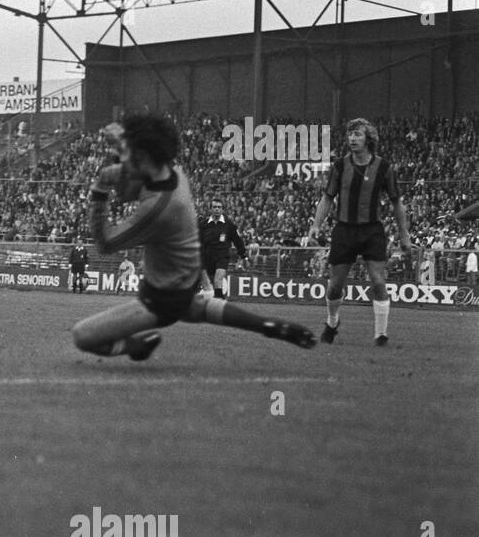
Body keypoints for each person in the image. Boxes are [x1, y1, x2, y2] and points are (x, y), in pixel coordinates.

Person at [71, 115, 315, 361]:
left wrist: (100, 189)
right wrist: (123, 143)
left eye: (128, 157)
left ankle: (136, 346)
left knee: (82, 335)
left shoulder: (158, 208)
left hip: (159, 301)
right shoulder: (174, 171)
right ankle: (270, 326)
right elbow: (135, 173)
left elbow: (105, 243)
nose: (123, 162)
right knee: (204, 309)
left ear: (143, 159)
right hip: (182, 288)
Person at [305, 118, 414, 346]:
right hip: (344, 230)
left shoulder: (384, 168)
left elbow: (397, 202)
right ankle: (332, 322)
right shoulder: (340, 166)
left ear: (368, 139)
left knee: (378, 281)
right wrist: (316, 224)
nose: (352, 139)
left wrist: (404, 235)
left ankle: (380, 335)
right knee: (335, 285)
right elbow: (327, 198)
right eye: (350, 134)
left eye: (358, 134)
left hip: (372, 231)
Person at [197, 198, 247, 299]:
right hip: (207, 256)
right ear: (210, 209)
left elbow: (237, 240)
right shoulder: (203, 224)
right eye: (214, 207)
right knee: (208, 285)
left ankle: (219, 306)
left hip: (222, 255)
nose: (217, 209)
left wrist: (243, 256)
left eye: (219, 207)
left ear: (222, 209)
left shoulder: (229, 225)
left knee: (218, 279)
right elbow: (197, 242)